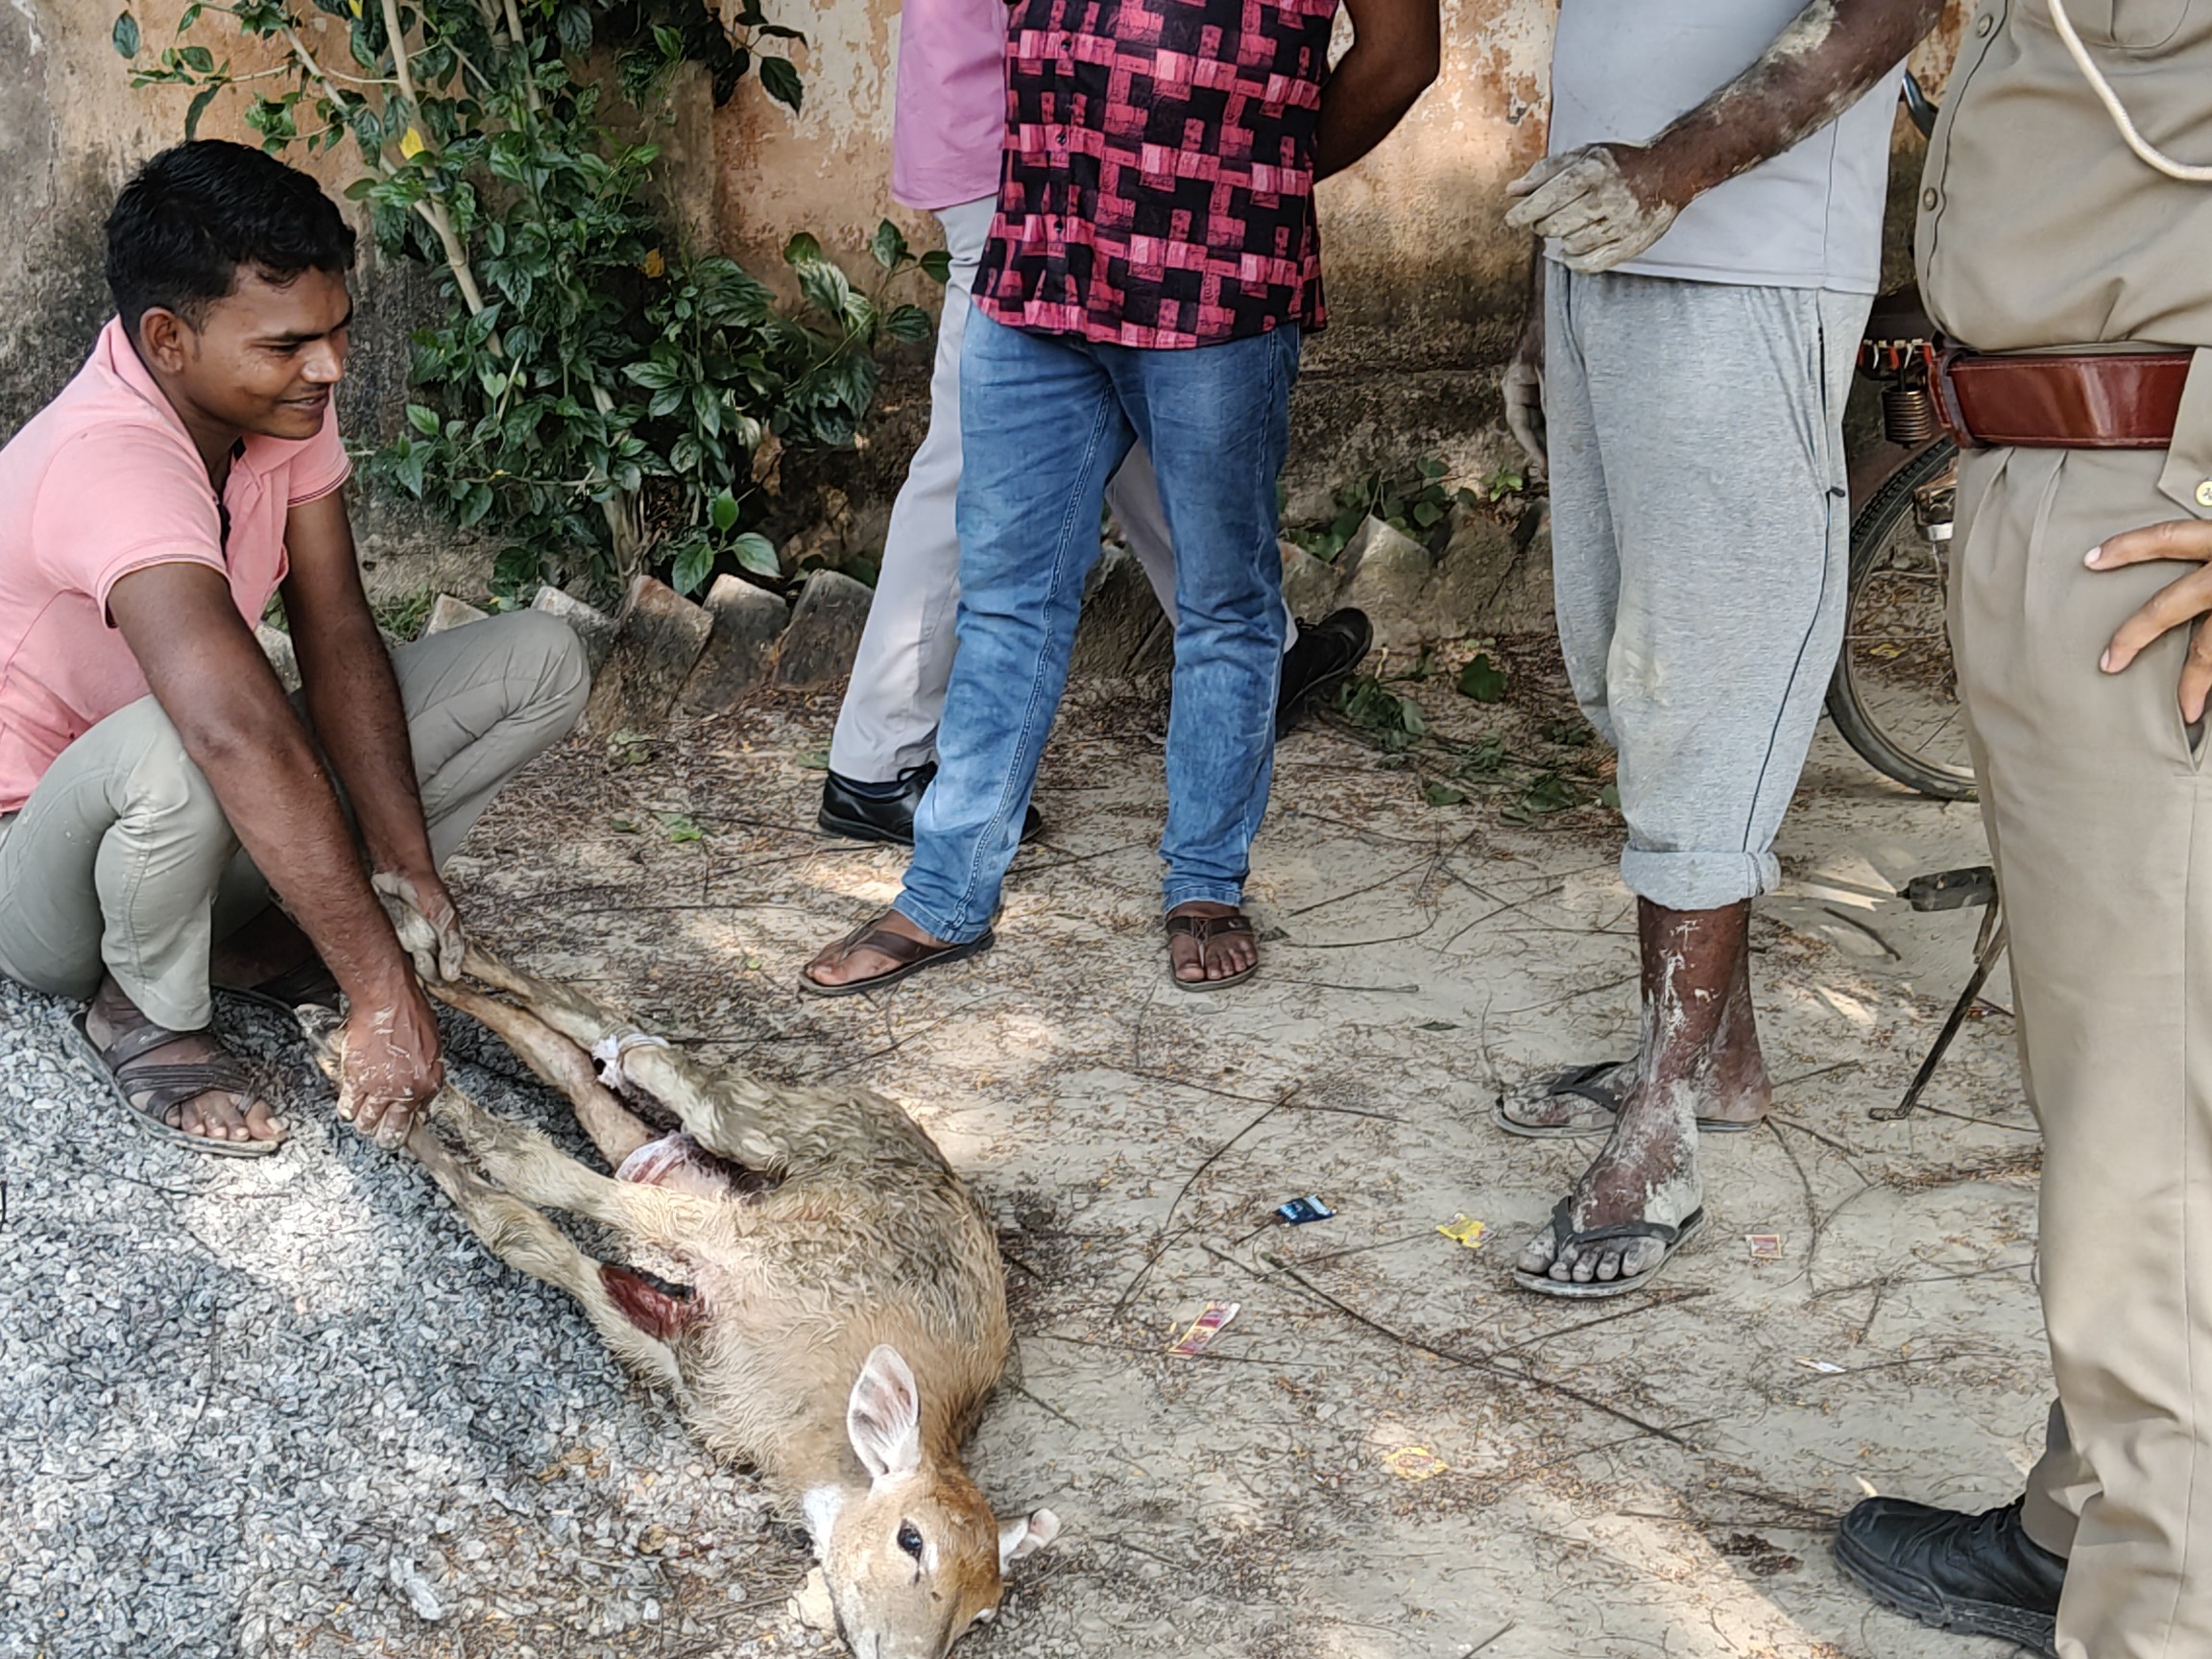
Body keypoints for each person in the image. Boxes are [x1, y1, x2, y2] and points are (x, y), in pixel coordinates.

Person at [801, 0, 1439, 994]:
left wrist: (1259, 170)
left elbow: (1402, 57)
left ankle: (1205, 884)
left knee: (1224, 604)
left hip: (1215, 274)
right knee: (1008, 591)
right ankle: (944, 893)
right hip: (1042, 259)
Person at [1834, 8, 2212, 1657]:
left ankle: (2154, 1614)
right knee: (2112, 1072)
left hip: (2151, 511)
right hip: (2057, 487)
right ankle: (2086, 1524)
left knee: (2151, 1140)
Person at [0, 140, 588, 1155]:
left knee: (538, 660)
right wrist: (380, 989)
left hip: (186, 817)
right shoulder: (107, 457)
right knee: (193, 733)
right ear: (167, 339)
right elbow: (229, 728)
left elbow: (338, 630)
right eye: (288, 345)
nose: (332, 367)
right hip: (40, 871)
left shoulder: (276, 407)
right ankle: (143, 1007)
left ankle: (265, 946)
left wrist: (404, 867)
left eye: (338, 331)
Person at [1493, 0, 1942, 1297]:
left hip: (1740, 266)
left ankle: (1664, 1131)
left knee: (1709, 686)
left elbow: (1887, 9)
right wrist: (1549, 289)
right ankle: (1709, 1058)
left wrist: (1675, 169)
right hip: (1610, 257)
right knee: (1623, 674)